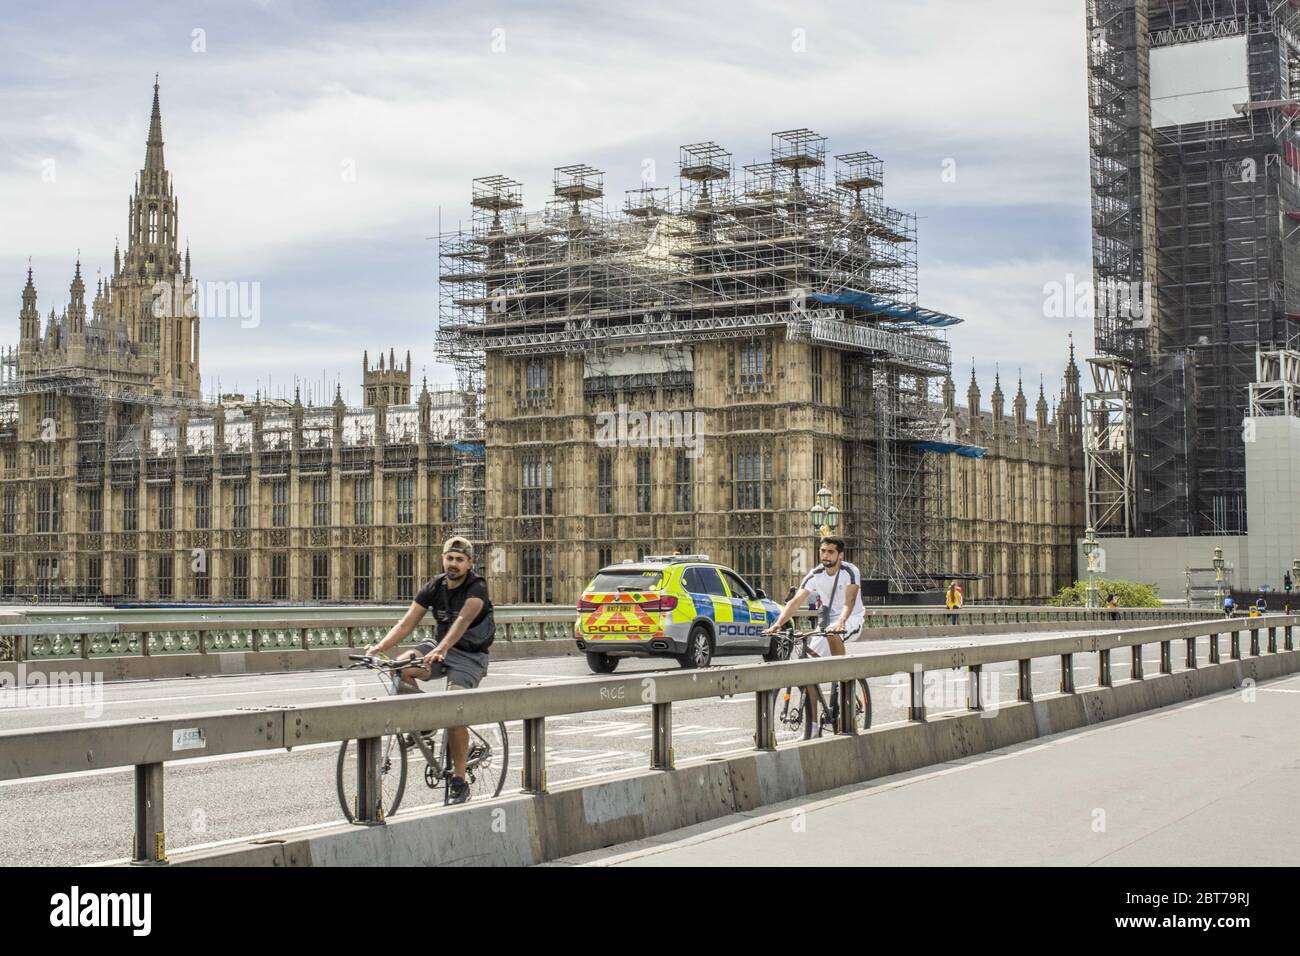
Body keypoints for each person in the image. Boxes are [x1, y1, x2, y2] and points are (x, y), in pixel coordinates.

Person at [366, 536, 494, 804]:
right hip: (438, 647)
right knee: (400, 667)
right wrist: (379, 648)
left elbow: (462, 621)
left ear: (469, 563)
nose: (454, 564)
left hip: (469, 655)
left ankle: (459, 779)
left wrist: (443, 648)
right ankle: (424, 726)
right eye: (450, 558)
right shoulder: (435, 586)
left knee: (454, 705)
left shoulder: (477, 587)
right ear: (443, 559)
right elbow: (406, 623)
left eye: (460, 559)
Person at [763, 537, 865, 732]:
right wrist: (777, 624)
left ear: (840, 555)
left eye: (830, 552)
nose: (825, 555)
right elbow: (794, 602)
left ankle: (843, 683)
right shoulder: (814, 575)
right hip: (826, 623)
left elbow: (849, 601)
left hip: (851, 618)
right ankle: (813, 725)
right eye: (823, 551)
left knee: (834, 634)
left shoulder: (850, 571)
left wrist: (841, 622)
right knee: (807, 669)